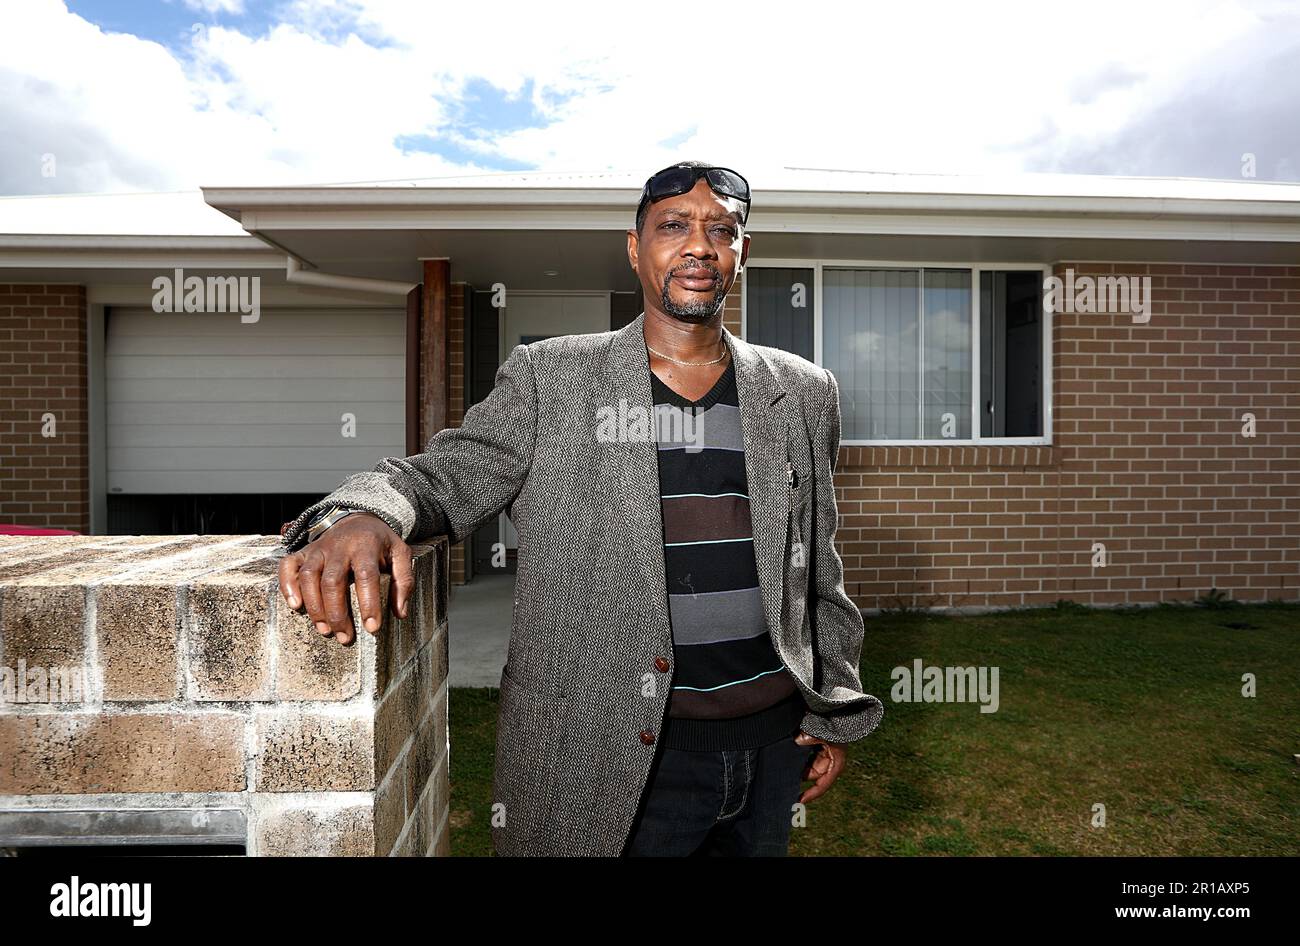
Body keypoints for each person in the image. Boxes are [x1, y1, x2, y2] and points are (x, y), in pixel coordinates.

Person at [277, 161, 883, 856]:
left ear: (744, 249)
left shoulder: (803, 392)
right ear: (636, 247)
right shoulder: (553, 379)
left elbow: (818, 573)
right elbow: (441, 479)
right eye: (674, 227)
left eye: (722, 229)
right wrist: (361, 514)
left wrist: (832, 708)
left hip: (773, 746)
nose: (699, 246)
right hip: (610, 755)